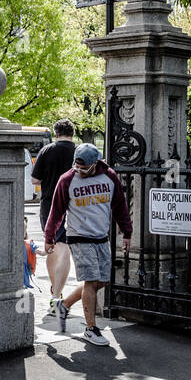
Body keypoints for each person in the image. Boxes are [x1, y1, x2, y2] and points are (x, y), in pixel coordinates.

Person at [43, 143, 132, 346]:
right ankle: (91, 329)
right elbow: (56, 212)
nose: (80, 171)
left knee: (102, 281)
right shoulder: (67, 180)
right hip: (79, 237)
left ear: (95, 164)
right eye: (77, 166)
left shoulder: (109, 177)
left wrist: (127, 232)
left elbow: (120, 205)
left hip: (101, 237)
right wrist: (49, 238)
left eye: (84, 168)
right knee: (91, 281)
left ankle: (63, 306)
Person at [32, 119, 77, 319]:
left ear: (55, 133)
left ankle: (55, 291)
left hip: (48, 204)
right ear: (73, 133)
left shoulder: (47, 150)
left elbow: (35, 179)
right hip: (75, 204)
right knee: (64, 247)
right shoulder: (80, 151)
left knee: (52, 245)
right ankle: (57, 294)